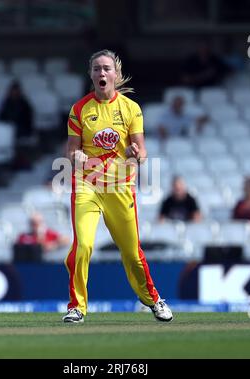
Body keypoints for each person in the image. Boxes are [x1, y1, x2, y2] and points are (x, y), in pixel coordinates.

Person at [62, 49, 173, 323]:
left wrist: (136, 153)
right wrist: (78, 157)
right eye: (97, 68)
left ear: (116, 74)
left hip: (120, 187)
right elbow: (71, 152)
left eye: (107, 68)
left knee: (132, 253)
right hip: (87, 186)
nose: (102, 73)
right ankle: (77, 307)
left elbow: (142, 152)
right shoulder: (79, 110)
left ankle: (153, 300)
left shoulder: (131, 109)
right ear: (91, 74)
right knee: (83, 246)